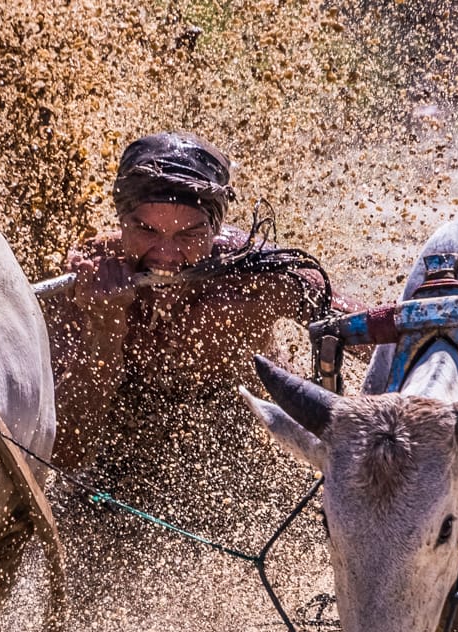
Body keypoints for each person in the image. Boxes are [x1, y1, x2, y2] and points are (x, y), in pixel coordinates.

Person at [43, 132, 346, 472]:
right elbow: (58, 457)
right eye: (146, 230)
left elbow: (381, 335)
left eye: (189, 235)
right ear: (122, 222)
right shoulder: (86, 281)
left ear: (215, 231)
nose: (167, 256)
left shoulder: (252, 276)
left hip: (248, 442)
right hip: (115, 459)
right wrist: (105, 329)